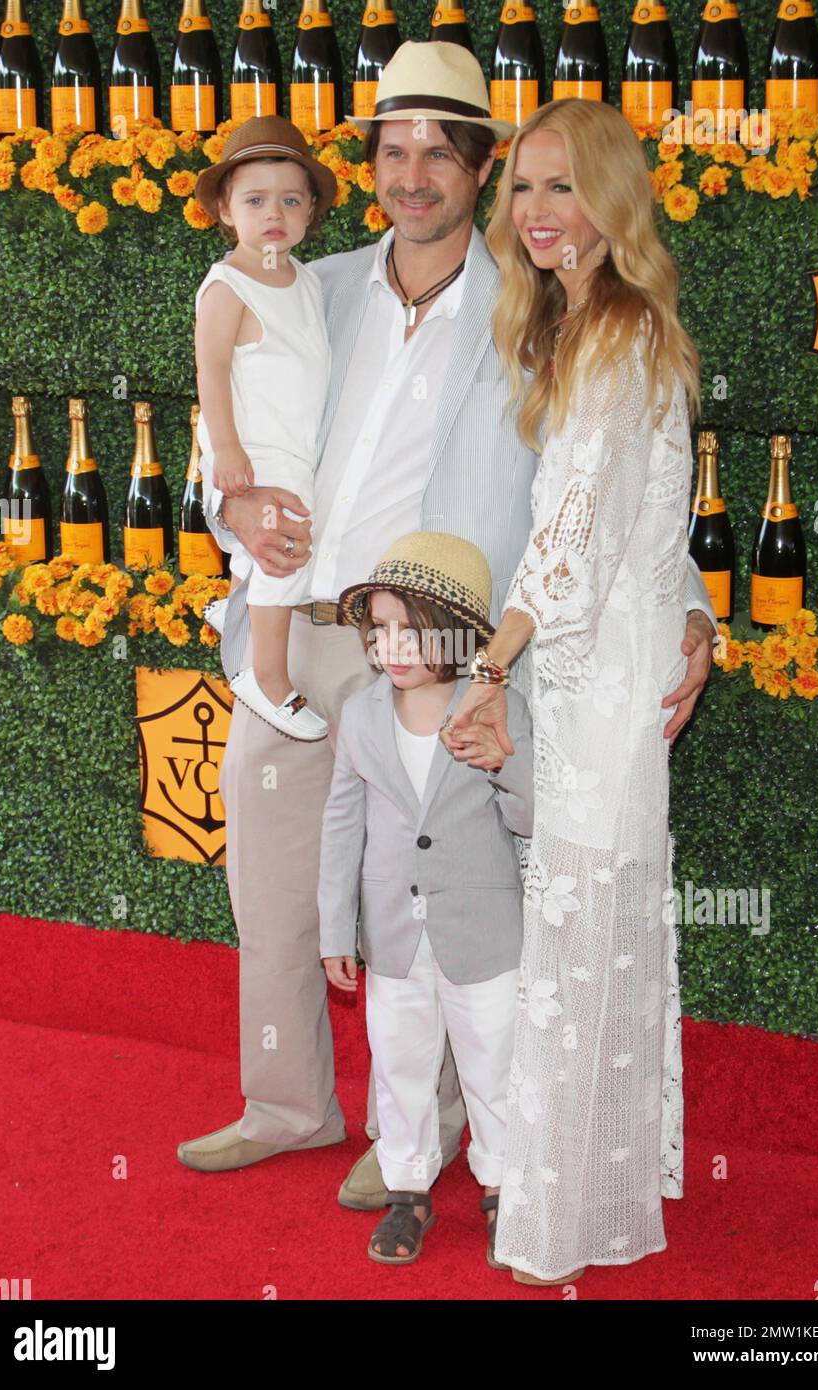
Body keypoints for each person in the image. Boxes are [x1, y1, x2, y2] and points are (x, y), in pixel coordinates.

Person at [177, 43, 717, 1211]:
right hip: (298, 638)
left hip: (437, 659)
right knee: (274, 890)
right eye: (392, 148)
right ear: (366, 163)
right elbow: (224, 426)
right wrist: (227, 497)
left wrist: (687, 604)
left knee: (427, 900)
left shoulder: (529, 307)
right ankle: (286, 1104)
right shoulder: (303, 286)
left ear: (478, 169)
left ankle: (410, 1130)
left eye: (441, 151)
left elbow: (611, 479)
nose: (412, 172)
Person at [442, 97, 703, 1286]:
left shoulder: (616, 332)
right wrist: (697, 615)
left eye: (561, 187)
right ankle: (590, 1189)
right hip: (608, 661)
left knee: (581, 926)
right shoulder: (602, 326)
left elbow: (571, 541)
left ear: (609, 196)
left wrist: (486, 668)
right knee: (595, 922)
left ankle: (562, 1221)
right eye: (524, 191)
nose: (538, 214)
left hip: (597, 680)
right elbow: (662, 521)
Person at [319, 533, 532, 1265]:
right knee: (401, 1064)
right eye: (379, 629)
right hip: (393, 935)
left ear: (463, 632)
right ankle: (409, 1191)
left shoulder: (501, 709)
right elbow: (342, 823)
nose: (392, 646)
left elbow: (532, 819)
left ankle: (506, 1191)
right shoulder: (361, 715)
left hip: (484, 931)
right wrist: (334, 930)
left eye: (411, 629)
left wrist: (506, 764)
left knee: (494, 1065)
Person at [193, 116, 336, 741]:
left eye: (289, 199)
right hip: (255, 451)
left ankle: (238, 609)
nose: (273, 213)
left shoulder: (306, 279)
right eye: (255, 200)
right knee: (286, 555)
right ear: (226, 209)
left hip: (296, 444)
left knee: (276, 552)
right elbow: (212, 368)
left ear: (309, 212)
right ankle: (268, 679)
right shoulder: (228, 286)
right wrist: (226, 448)